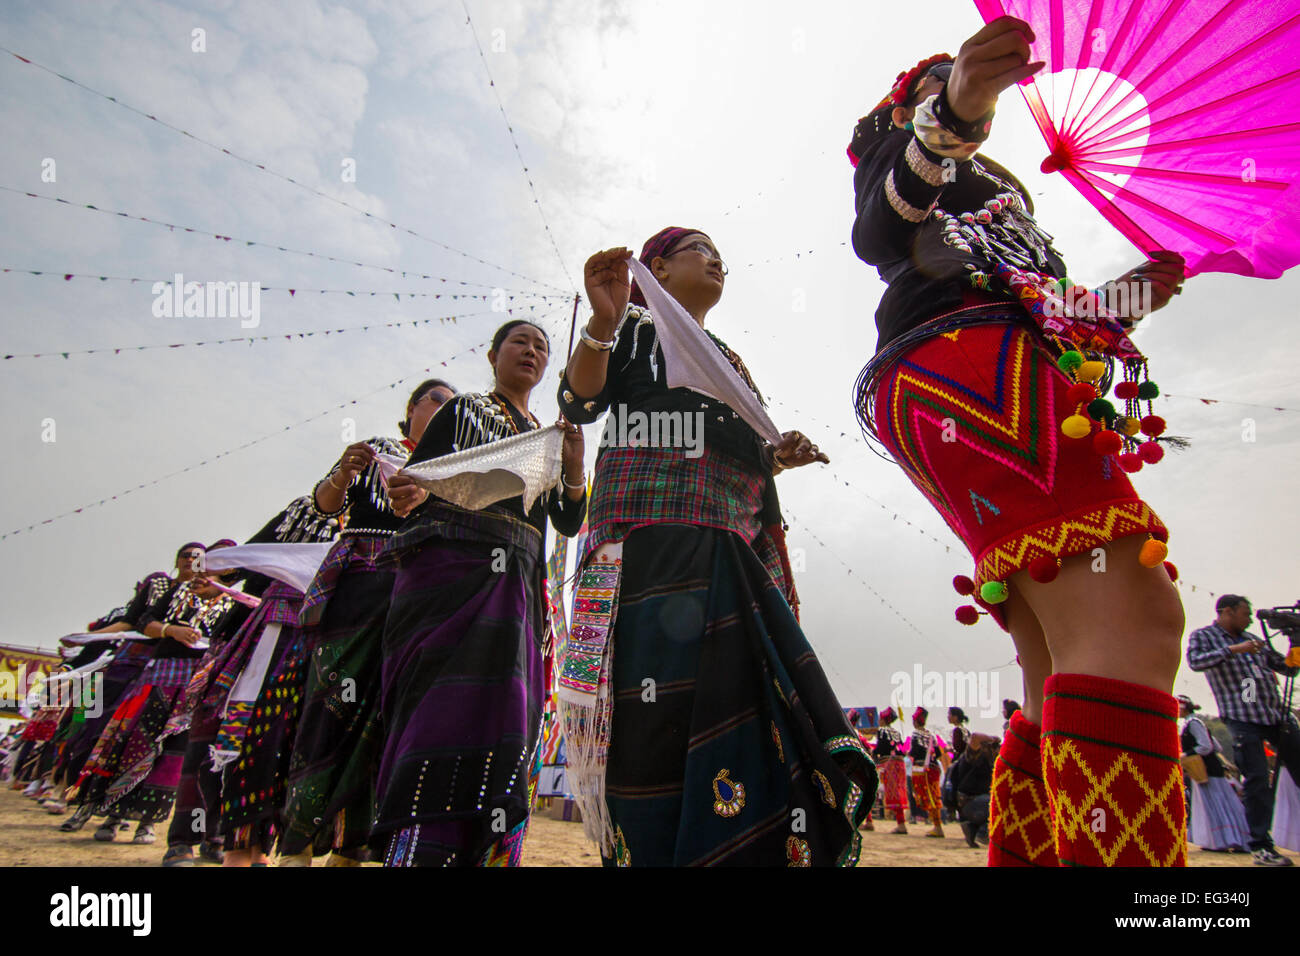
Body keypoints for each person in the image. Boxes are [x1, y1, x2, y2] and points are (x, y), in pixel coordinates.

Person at [848, 17, 1188, 867]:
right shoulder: (917, 174)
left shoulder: (994, 217)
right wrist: (953, 106)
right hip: (973, 375)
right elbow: (879, 236)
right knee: (1136, 625)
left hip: (972, 376)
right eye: (945, 93)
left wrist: (1122, 302)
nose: (982, 118)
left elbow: (1043, 307)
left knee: (1054, 656)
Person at [557, 229, 876, 866]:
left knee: (743, 718)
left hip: (731, 549)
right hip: (646, 548)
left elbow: (749, 450)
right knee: (652, 723)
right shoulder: (634, 328)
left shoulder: (729, 359)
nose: (717, 258)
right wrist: (601, 319)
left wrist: (778, 456)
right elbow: (581, 401)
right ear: (658, 270)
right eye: (698, 248)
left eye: (720, 252)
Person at [373, 322, 586, 866]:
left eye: (541, 346)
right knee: (441, 714)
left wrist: (575, 467)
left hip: (516, 585)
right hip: (452, 573)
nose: (532, 352)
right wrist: (412, 490)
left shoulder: (548, 436)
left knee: (507, 724)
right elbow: (423, 480)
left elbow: (566, 518)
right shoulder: (463, 410)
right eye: (520, 342)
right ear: (493, 355)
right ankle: (419, 851)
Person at [280, 379, 455, 864]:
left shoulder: (452, 465)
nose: (445, 410)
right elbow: (324, 506)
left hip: (420, 596)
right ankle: (296, 844)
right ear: (411, 409)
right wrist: (341, 474)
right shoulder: (376, 450)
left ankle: (350, 847)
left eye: (452, 405)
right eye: (436, 400)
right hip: (360, 589)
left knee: (389, 716)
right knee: (329, 706)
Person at [1187, 595, 1300, 866]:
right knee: (1257, 779)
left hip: (1275, 716)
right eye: (1244, 613)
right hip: (1241, 717)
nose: (1249, 618)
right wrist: (1236, 650)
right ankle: (1261, 847)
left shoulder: (1253, 639)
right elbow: (1196, 662)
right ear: (1226, 611)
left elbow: (1288, 669)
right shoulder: (1205, 636)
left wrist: (1295, 642)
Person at [1177, 694, 1249, 854]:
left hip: (1206, 770)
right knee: (1222, 802)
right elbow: (1217, 747)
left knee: (1215, 802)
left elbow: (1206, 746)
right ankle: (1226, 838)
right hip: (1208, 768)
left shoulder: (1193, 724)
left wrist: (1186, 755)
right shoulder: (1195, 723)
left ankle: (1223, 839)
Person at [951, 731, 996, 848]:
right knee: (999, 803)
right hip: (969, 803)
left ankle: (972, 828)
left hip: (974, 803)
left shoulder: (988, 762)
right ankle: (983, 831)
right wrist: (992, 738)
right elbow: (975, 737)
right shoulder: (972, 757)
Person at [907, 707, 947, 837]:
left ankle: (937, 826)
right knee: (934, 795)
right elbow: (939, 753)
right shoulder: (932, 735)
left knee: (929, 796)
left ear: (916, 722)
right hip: (934, 768)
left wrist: (909, 753)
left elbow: (915, 751)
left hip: (923, 770)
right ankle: (937, 824)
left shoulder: (916, 734)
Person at [874, 706, 909, 834]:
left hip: (890, 763)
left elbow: (881, 748)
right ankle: (901, 822)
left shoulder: (882, 731)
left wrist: (874, 753)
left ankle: (901, 824)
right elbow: (903, 750)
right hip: (900, 763)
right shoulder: (897, 733)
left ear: (883, 720)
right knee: (899, 790)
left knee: (894, 792)